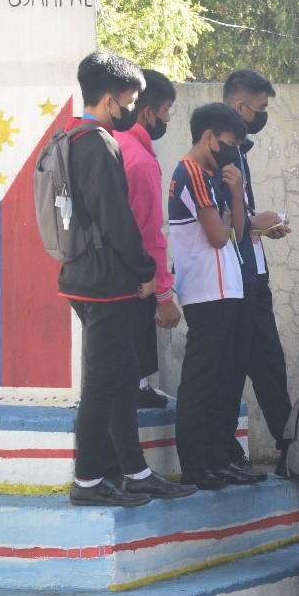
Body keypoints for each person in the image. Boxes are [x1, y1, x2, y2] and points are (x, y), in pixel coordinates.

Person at [61, 52, 195, 507]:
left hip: (84, 276)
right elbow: (119, 222)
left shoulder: (73, 136)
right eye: (131, 100)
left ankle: (135, 472)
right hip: (109, 285)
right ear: (110, 99)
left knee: (122, 378)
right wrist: (146, 275)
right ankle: (87, 480)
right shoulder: (100, 144)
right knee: (103, 384)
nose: (134, 109)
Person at [168, 103, 261, 491]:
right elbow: (219, 237)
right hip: (206, 292)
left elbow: (237, 230)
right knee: (200, 382)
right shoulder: (190, 172)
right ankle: (195, 464)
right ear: (208, 137)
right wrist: (225, 220)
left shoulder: (213, 176)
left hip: (227, 288)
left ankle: (218, 458)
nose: (234, 152)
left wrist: (236, 192)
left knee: (222, 380)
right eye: (230, 143)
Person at [221, 69, 294, 476]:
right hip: (235, 280)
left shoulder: (239, 152)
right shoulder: (220, 155)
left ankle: (290, 450)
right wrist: (253, 222)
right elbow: (215, 220)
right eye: (260, 108)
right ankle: (227, 452)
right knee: (235, 370)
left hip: (252, 273)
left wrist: (263, 227)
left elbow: (240, 217)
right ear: (239, 107)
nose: (262, 116)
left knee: (268, 367)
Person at [113, 69, 179, 409]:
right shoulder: (140, 161)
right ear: (148, 112)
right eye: (166, 111)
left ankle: (138, 386)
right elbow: (150, 234)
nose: (167, 119)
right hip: (132, 276)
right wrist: (164, 293)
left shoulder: (113, 143)